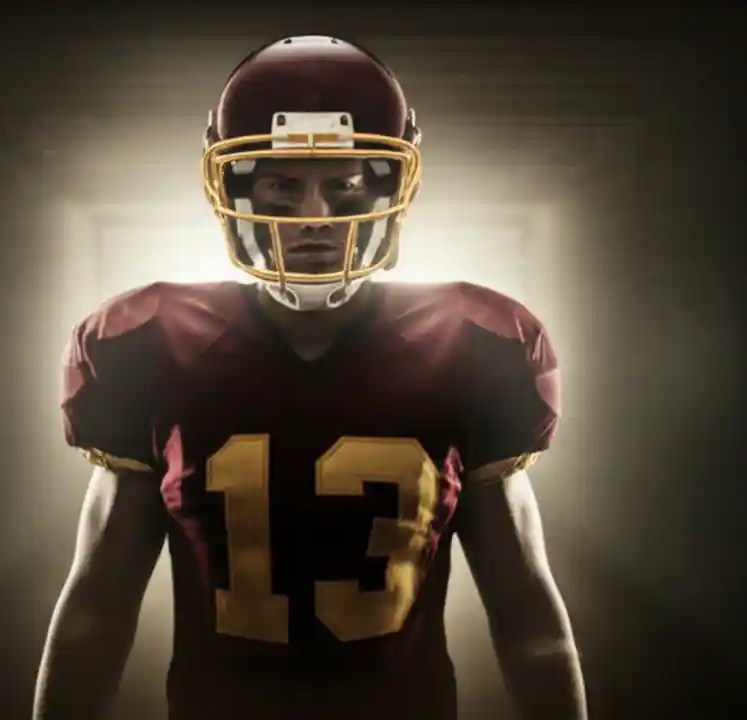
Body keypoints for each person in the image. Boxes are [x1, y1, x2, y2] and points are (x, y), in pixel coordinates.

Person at [33, 35, 587, 720]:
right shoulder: (149, 345)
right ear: (234, 187)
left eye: (346, 186)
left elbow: (526, 612)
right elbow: (98, 606)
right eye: (281, 186)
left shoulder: (473, 346)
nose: (315, 219)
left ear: (390, 186)